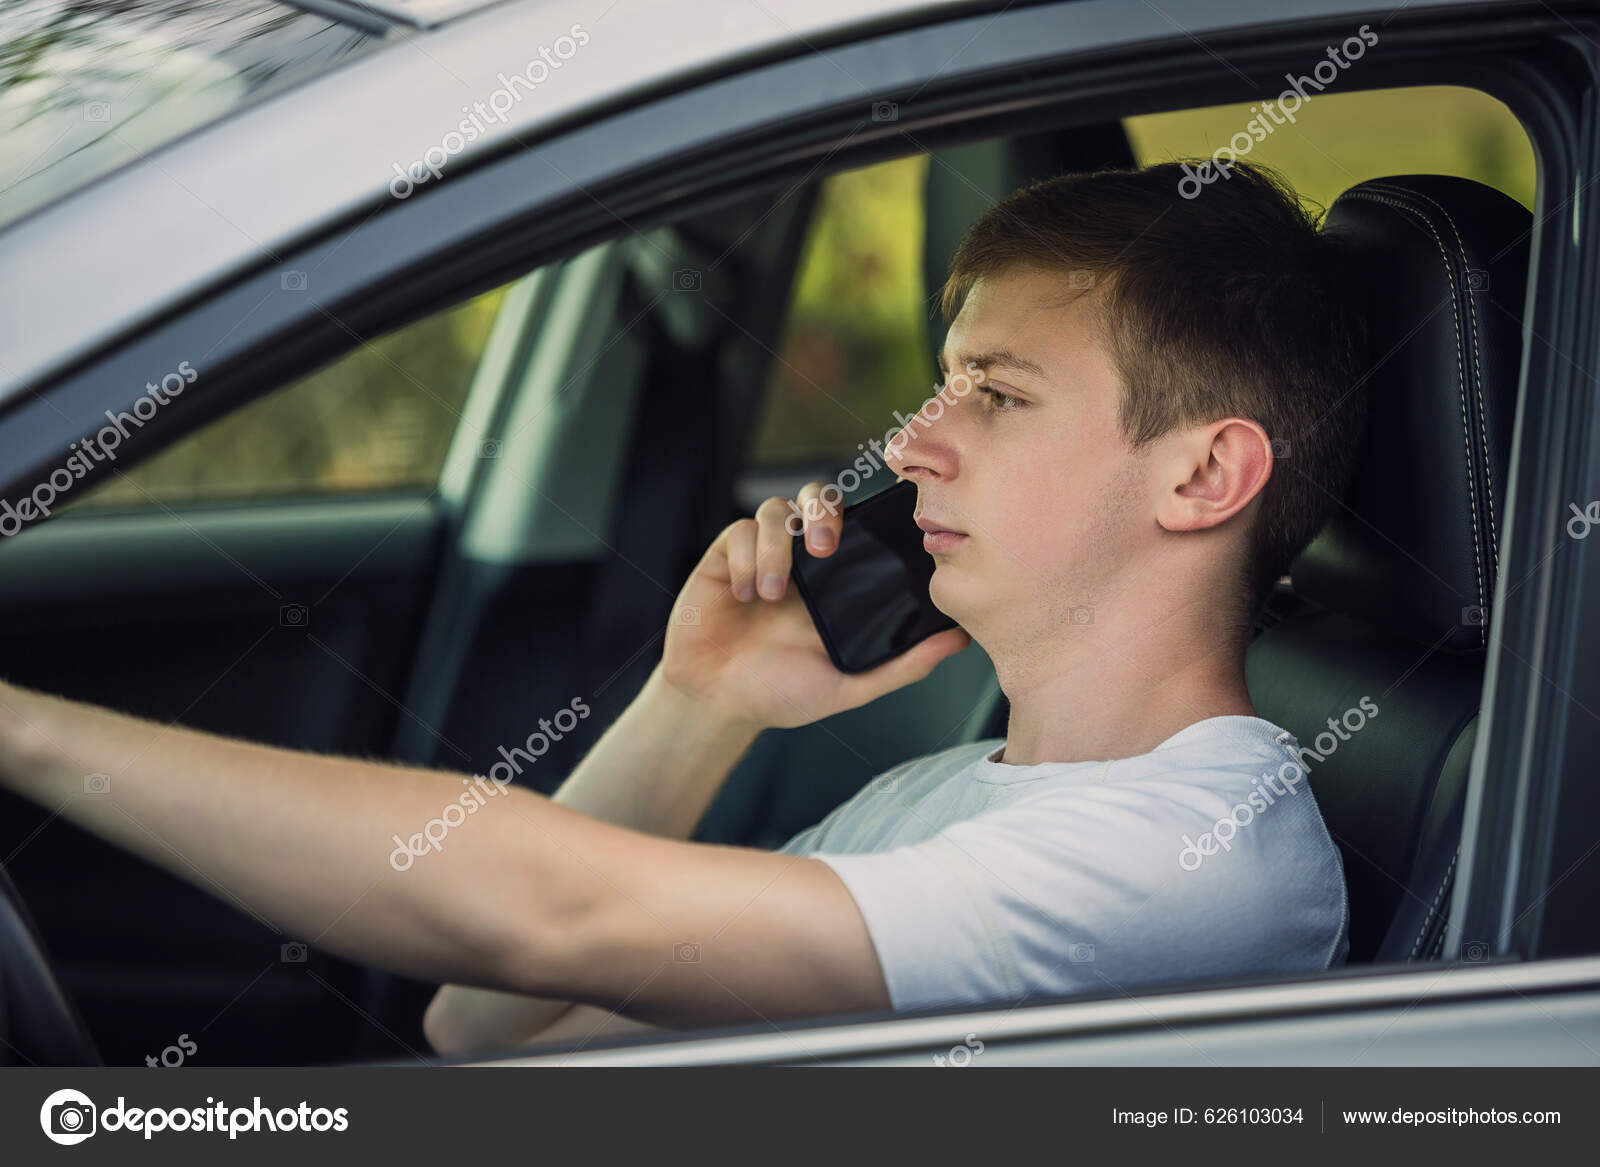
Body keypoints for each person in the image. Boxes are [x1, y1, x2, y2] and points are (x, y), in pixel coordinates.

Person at [0, 160, 1361, 1060]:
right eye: (940, 386)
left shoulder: (1183, 863)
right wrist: (698, 705)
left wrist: (31, 738)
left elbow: (546, 921)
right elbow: (483, 1027)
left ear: (1204, 474)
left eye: (997, 395)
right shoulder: (959, 790)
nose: (911, 445)